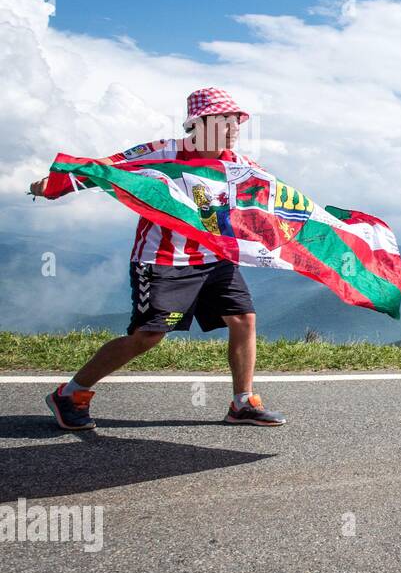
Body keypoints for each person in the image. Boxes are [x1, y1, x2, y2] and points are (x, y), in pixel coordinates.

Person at [29, 88, 287, 431]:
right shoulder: (162, 152)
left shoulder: (238, 164)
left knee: (243, 319)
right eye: (225, 121)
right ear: (200, 124)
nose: (234, 128)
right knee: (147, 336)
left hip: (216, 259)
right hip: (165, 260)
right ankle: (70, 394)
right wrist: (53, 185)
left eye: (236, 122)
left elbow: (277, 197)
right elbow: (108, 169)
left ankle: (243, 403)